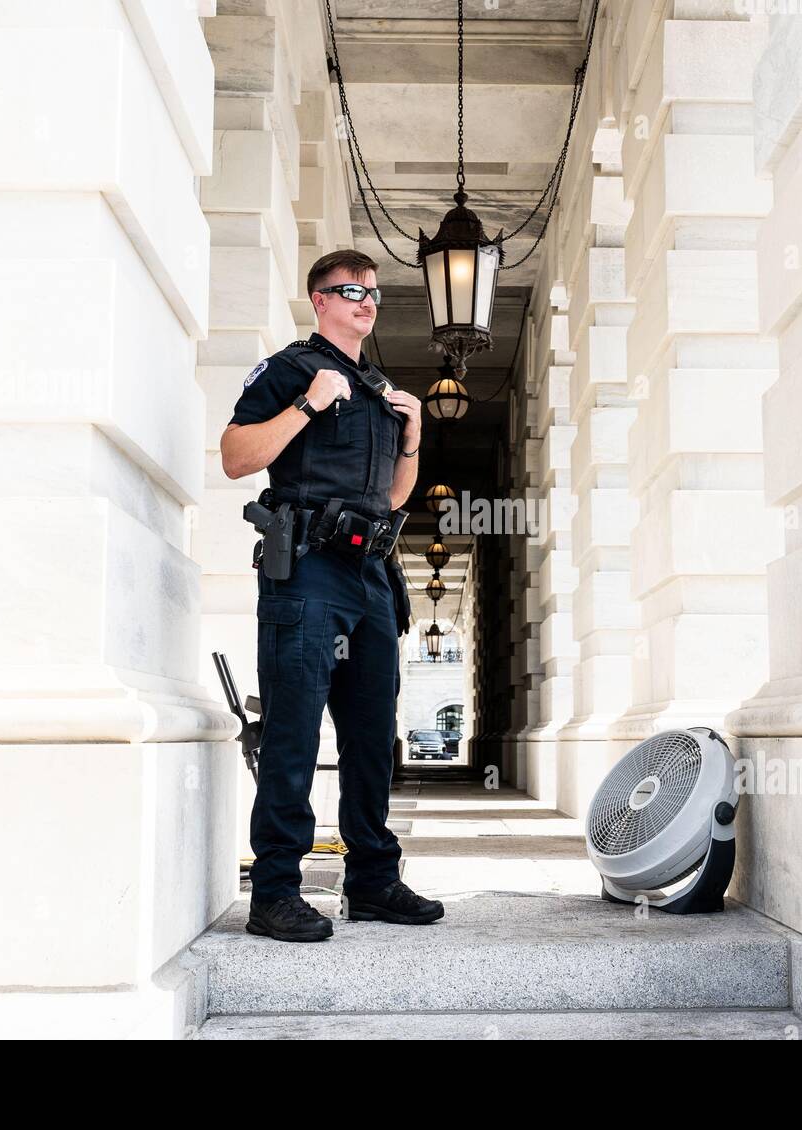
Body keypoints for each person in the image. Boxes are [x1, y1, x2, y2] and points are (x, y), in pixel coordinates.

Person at [220, 249, 444, 942]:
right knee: (293, 729)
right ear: (318, 300)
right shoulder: (291, 369)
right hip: (310, 568)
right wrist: (306, 404)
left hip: (370, 573)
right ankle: (276, 893)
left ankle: (374, 881)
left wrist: (412, 436)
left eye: (373, 292)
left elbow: (392, 498)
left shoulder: (378, 389)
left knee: (373, 734)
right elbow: (236, 456)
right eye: (350, 290)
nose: (366, 301)